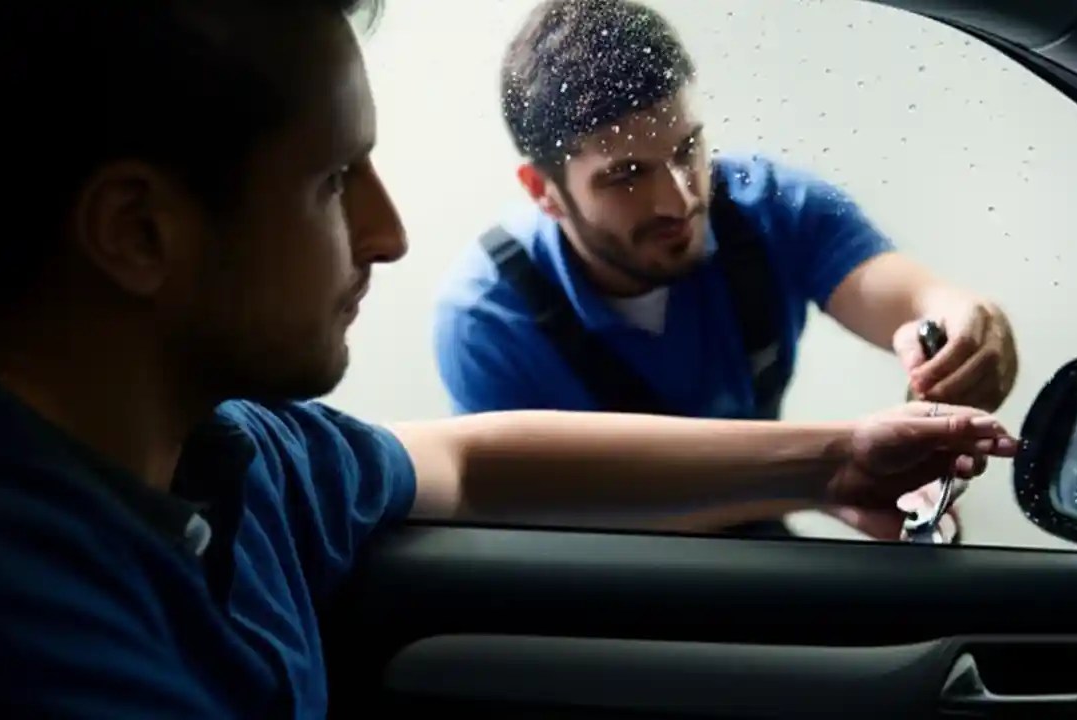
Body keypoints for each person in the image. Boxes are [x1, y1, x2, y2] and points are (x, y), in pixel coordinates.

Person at [0, 0, 1015, 716]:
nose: (389, 233)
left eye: (688, 154)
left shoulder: (248, 457)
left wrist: (831, 461)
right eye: (333, 182)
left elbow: (468, 463)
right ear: (136, 231)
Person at [431, 0, 1020, 536]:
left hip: (765, 545)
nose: (679, 199)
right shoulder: (484, 317)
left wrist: (968, 326)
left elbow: (920, 301)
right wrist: (830, 474)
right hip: (596, 596)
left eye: (687, 149)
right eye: (626, 175)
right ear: (545, 192)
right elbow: (533, 507)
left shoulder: (771, 204)